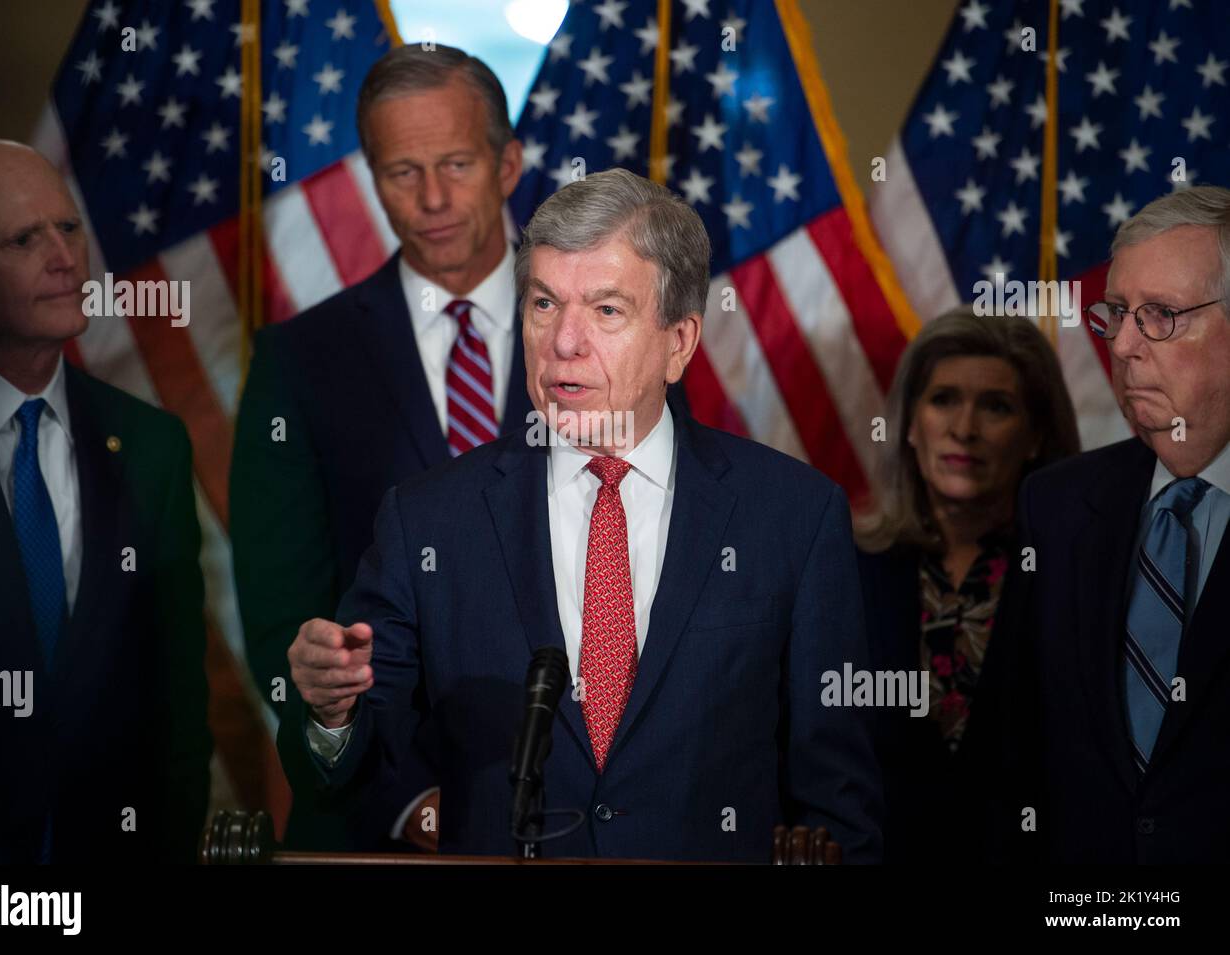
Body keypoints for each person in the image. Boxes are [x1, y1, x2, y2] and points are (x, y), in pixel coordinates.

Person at [277, 168, 882, 862]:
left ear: (679, 342)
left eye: (606, 310)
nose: (564, 341)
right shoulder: (429, 521)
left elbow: (840, 804)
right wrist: (331, 711)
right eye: (543, 304)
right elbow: (346, 770)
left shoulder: (793, 517)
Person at [229, 44, 534, 852]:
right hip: (375, 821)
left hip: (579, 813)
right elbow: (285, 621)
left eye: (457, 163)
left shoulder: (605, 335)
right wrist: (406, 803)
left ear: (509, 163)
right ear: (371, 177)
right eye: (402, 172)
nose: (432, 198)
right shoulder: (299, 362)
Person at [0, 140, 210, 863]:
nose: (63, 258)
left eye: (69, 228)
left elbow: (176, 705)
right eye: (25, 238)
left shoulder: (151, 445)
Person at [990, 185, 1230, 863]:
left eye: (1160, 315)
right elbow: (1007, 763)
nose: (1122, 345)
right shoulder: (1057, 505)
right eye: (1117, 313)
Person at [854, 308, 1079, 863]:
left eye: (997, 406)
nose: (965, 428)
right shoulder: (844, 566)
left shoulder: (1073, 572)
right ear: (909, 422)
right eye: (944, 399)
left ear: (1035, 436)